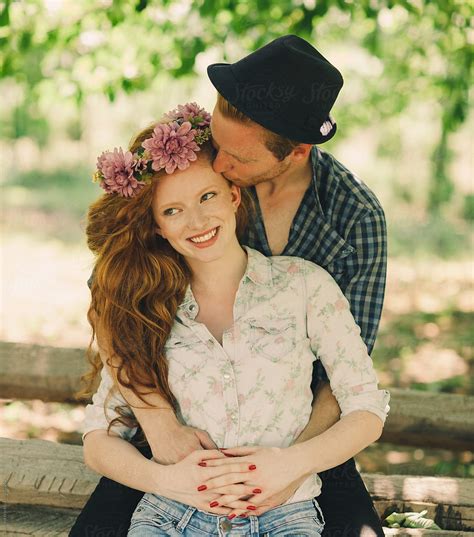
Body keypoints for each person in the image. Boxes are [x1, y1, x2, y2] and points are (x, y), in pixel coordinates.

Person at [70, 35, 388, 536]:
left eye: (233, 161)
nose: (216, 165)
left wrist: (289, 467)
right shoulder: (195, 167)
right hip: (180, 442)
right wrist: (160, 426)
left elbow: (350, 382)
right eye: (216, 146)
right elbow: (116, 300)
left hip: (303, 430)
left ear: (296, 152)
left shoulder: (353, 220)